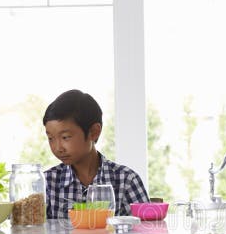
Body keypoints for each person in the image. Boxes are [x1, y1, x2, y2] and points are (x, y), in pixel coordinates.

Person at [43, 89, 149, 219]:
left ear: (94, 132)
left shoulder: (126, 180)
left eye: (65, 137)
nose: (58, 148)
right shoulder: (47, 183)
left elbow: (146, 233)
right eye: (51, 138)